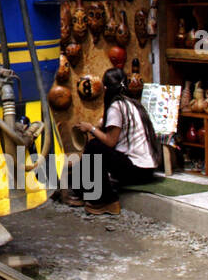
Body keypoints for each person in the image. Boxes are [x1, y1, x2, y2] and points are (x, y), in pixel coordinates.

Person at [65, 67, 158, 215]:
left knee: (95, 146)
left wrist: (91, 129)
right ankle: (80, 190)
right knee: (95, 148)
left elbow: (110, 142)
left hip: (138, 170)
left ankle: (106, 200)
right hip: (147, 169)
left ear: (106, 88)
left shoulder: (117, 107)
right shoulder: (132, 103)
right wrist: (97, 127)